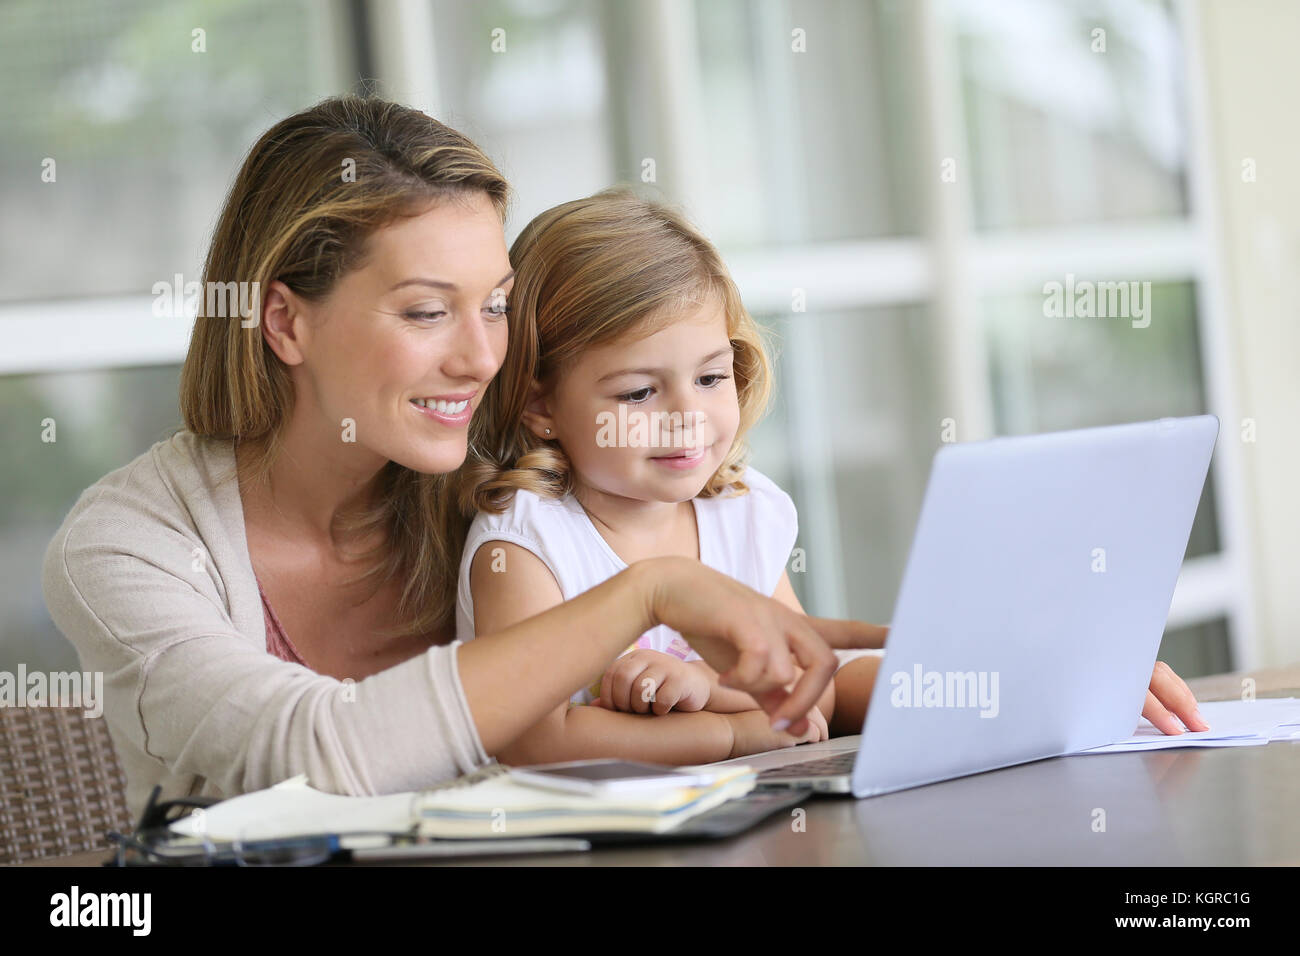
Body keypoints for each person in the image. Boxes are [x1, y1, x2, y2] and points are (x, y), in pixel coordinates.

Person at [40, 95, 884, 822]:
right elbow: (309, 748)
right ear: (285, 322)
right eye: (425, 313)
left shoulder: (505, 498)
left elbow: (749, 664)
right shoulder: (132, 545)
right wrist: (646, 595)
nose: (483, 359)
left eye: (495, 307)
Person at [452, 188, 1210, 765]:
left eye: (712, 378)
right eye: (640, 392)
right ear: (540, 403)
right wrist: (736, 730)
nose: (688, 417)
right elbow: (532, 740)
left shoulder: (739, 514)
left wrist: (1018, 674)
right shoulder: (527, 541)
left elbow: (813, 688)